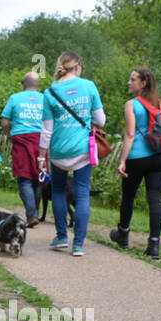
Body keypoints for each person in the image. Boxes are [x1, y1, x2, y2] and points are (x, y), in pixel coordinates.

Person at [38, 51, 105, 256]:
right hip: (82, 150)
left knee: (58, 191)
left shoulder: (50, 92)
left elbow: (47, 129)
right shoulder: (89, 86)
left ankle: (61, 237)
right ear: (78, 67)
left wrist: (42, 157)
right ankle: (78, 244)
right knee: (83, 193)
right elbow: (101, 121)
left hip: (58, 151)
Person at [109, 67, 161, 260]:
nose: (129, 82)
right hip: (160, 158)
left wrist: (122, 161)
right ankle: (154, 246)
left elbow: (130, 134)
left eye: (133, 79)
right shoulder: (159, 105)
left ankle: (123, 235)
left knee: (128, 196)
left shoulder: (132, 105)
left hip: (138, 158)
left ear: (142, 83)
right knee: (155, 200)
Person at [0, 72, 45, 227]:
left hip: (21, 140)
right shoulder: (45, 99)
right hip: (40, 142)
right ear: (37, 85)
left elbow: (5, 122)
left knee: (24, 178)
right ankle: (34, 214)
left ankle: (31, 215)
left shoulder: (15, 98)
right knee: (38, 178)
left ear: (24, 84)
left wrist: (9, 136)